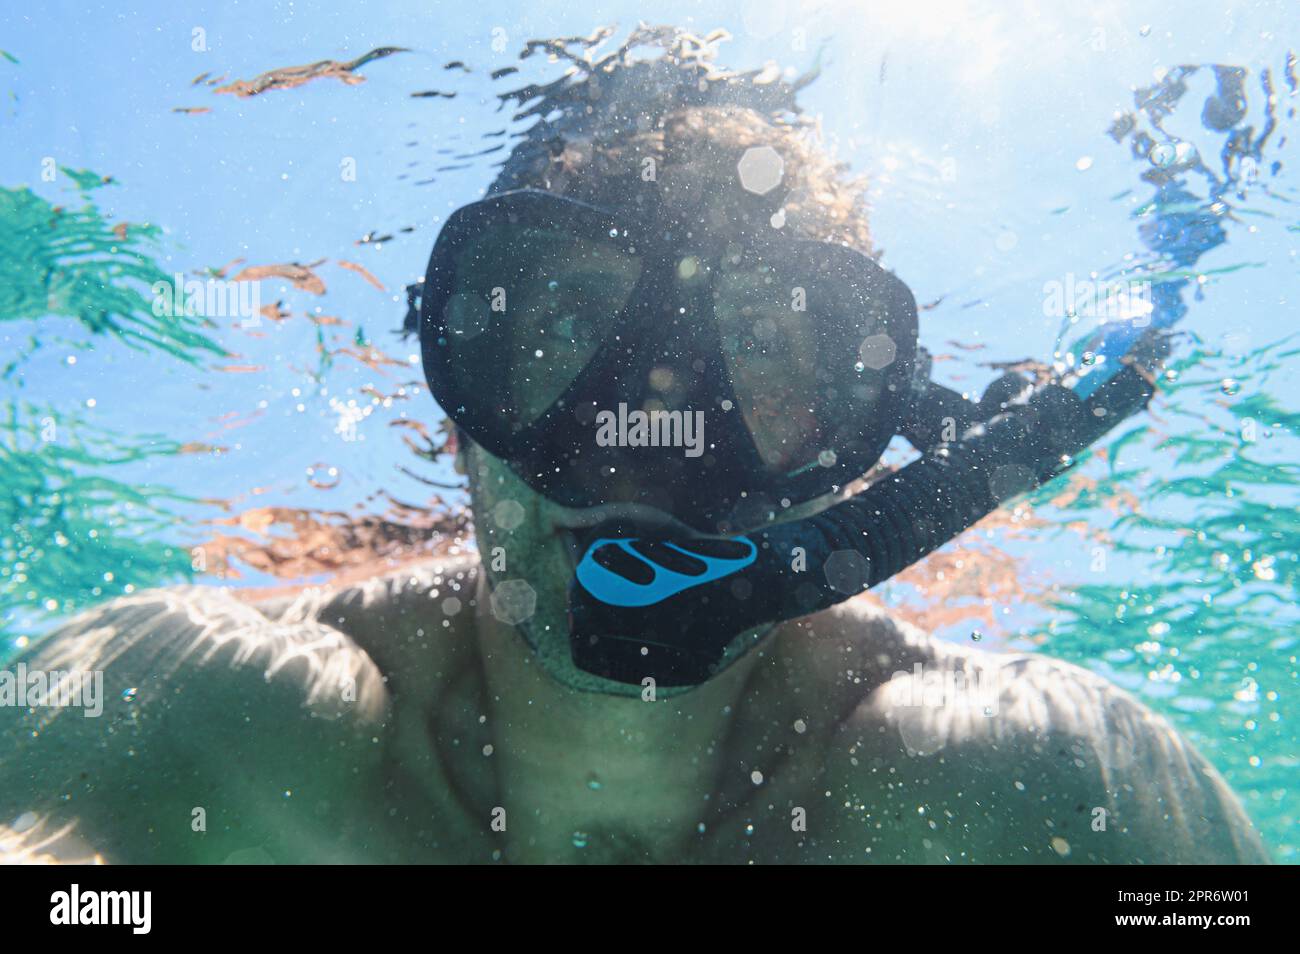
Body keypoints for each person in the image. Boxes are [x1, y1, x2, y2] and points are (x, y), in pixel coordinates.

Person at [0, 28, 1268, 864]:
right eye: (561, 328)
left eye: (766, 347)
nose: (648, 446)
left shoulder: (1019, 774)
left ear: (865, 439)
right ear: (456, 404)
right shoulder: (221, 715)